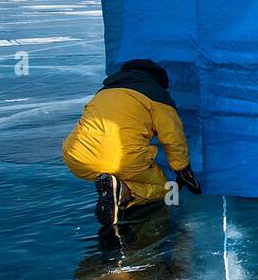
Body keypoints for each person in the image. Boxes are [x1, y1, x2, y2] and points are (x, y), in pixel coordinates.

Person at [62, 59, 201, 227]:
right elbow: (173, 137)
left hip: (77, 159)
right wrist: (182, 169)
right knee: (166, 188)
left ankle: (115, 189)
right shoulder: (157, 96)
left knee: (115, 173)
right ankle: (126, 193)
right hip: (122, 160)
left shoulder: (104, 92)